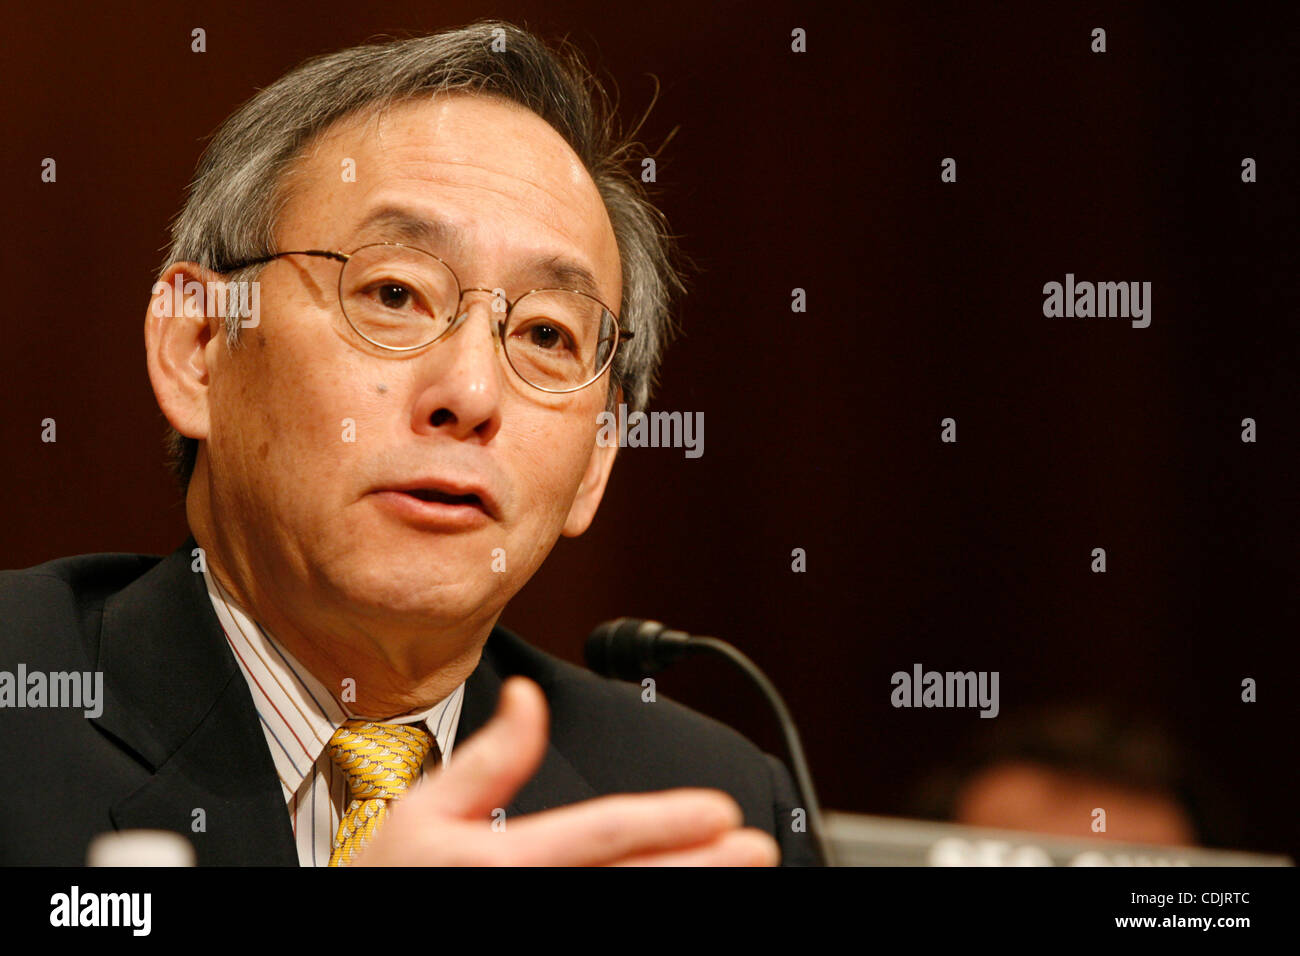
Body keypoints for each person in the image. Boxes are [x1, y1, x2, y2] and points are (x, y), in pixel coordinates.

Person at [0, 20, 817, 867]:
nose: (469, 395)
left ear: (597, 460)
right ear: (201, 347)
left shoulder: (704, 806)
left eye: (545, 334)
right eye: (395, 292)